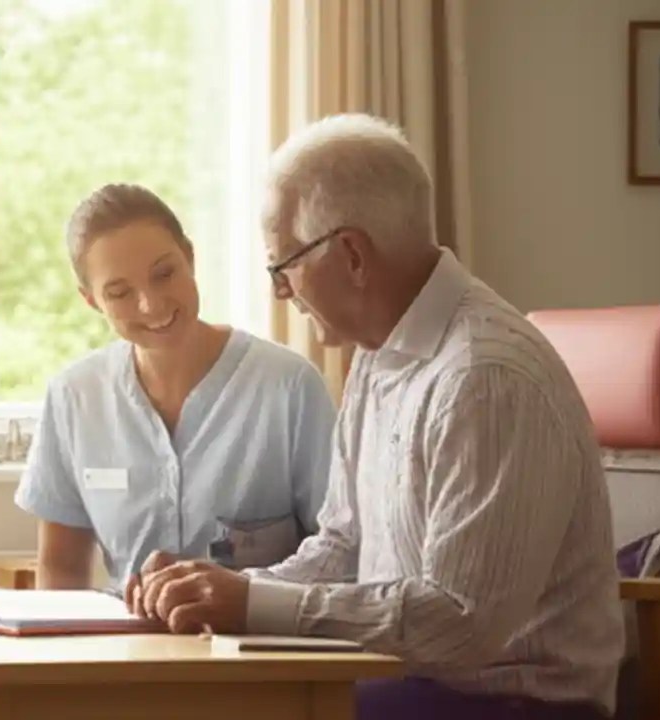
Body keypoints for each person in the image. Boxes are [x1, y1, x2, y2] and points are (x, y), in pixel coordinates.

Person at [127, 115, 624, 720]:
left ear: (352, 254)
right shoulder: (378, 355)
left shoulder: (485, 379)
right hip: (409, 684)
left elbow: (460, 625)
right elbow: (341, 546)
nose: (281, 292)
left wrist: (252, 603)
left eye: (282, 266)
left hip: (513, 703)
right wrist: (213, 591)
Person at [14, 183, 337, 595]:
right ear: (92, 301)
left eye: (164, 274)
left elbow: (337, 553)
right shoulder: (74, 397)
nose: (151, 304)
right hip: (124, 652)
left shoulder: (289, 387)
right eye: (120, 293)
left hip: (258, 650)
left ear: (190, 257)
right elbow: (61, 569)